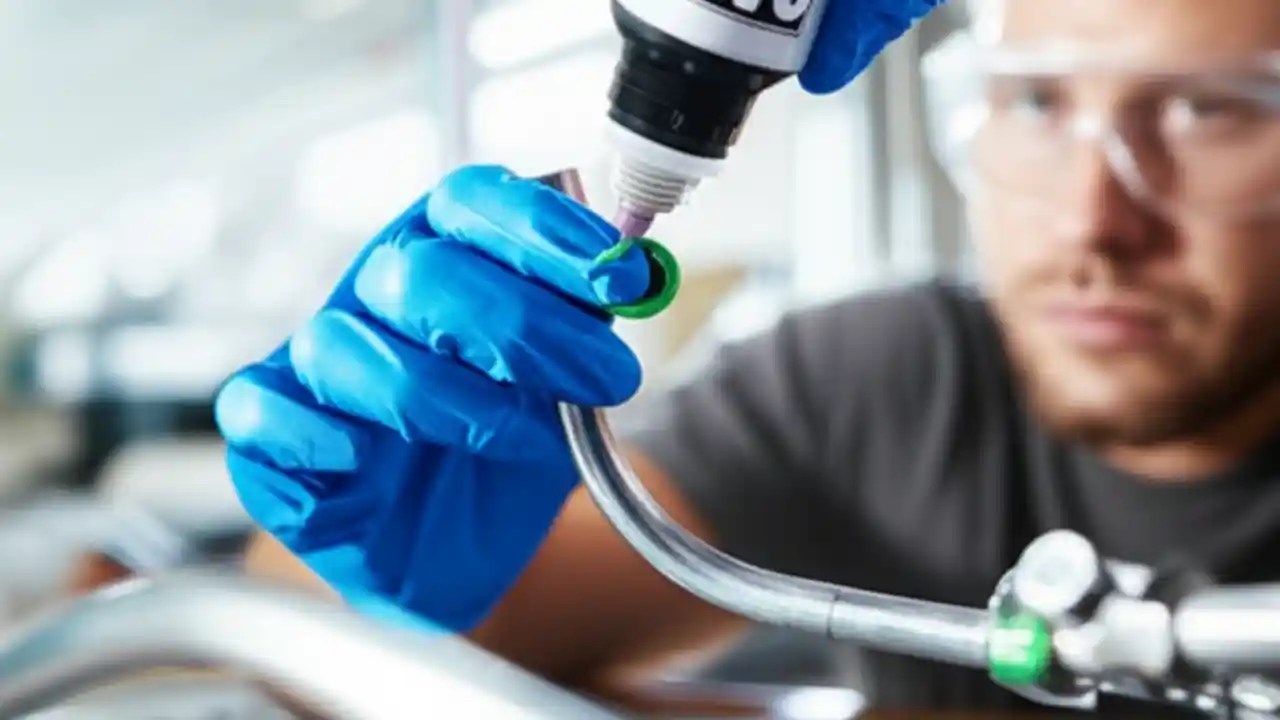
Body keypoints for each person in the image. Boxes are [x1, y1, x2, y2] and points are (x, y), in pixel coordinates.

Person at [214, 0, 1280, 710]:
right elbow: (293, 662)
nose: (1088, 224)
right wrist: (360, 564)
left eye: (1203, 110)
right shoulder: (898, 383)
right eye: (1036, 102)